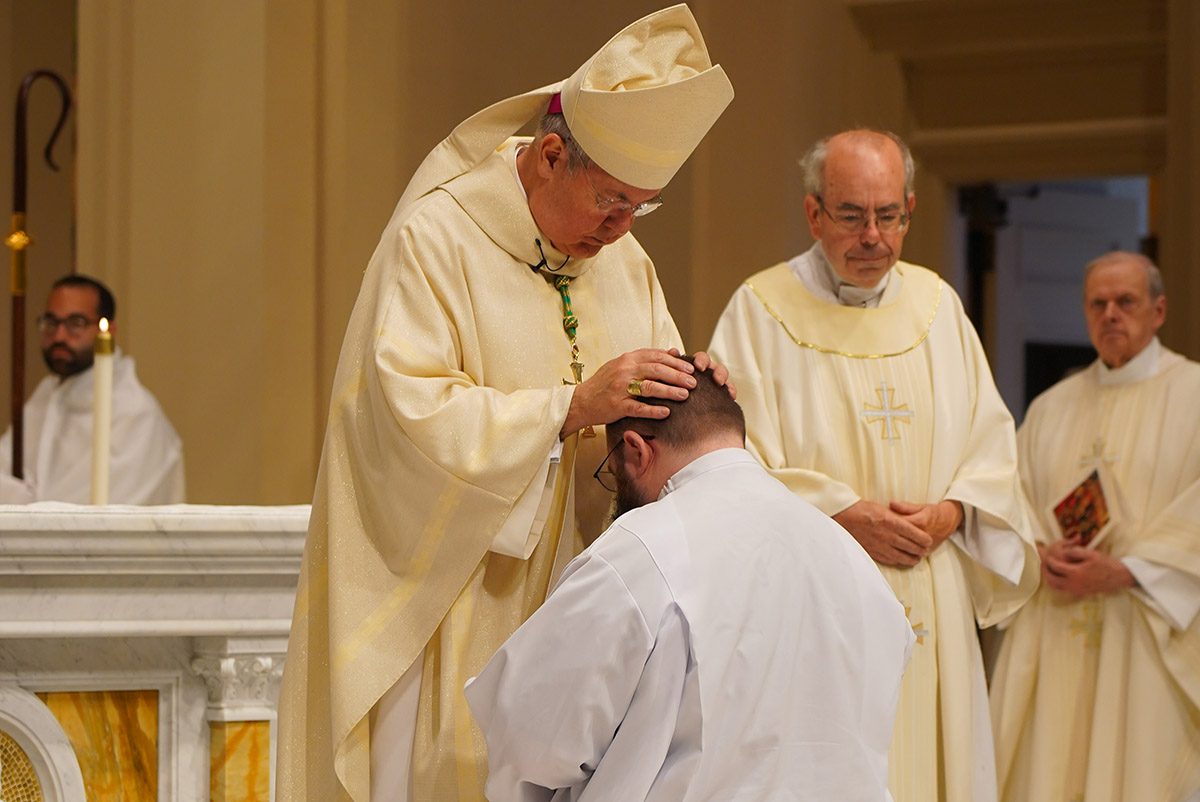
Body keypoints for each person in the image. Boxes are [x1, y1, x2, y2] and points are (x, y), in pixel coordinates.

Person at [275, 6, 735, 801]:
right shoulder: (438, 238)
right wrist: (567, 407)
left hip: (591, 606)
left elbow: (643, 416)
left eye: (641, 208)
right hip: (460, 603)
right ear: (551, 155)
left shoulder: (624, 264)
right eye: (611, 201)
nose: (622, 229)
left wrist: (686, 393)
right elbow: (405, 417)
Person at [707, 129, 1039, 802]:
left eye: (890, 216)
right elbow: (726, 459)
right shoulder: (760, 311)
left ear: (910, 210)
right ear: (813, 214)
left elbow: (991, 444)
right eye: (853, 216)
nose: (874, 237)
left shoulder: (938, 306)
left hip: (931, 584)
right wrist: (840, 516)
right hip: (820, 590)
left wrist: (952, 512)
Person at [465, 359, 914, 802]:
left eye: (612, 472)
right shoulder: (851, 557)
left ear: (637, 450)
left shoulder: (637, 553)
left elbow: (531, 741)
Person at [989, 251, 1200, 802]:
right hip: (1056, 631)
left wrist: (1128, 571)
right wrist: (1039, 550)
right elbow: (1010, 499)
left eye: (1125, 302)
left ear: (1158, 310)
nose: (1111, 315)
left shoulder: (1194, 396)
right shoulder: (1052, 408)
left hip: (1145, 638)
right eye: (1097, 304)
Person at [0, 274, 184, 504]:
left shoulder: (134, 414)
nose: (59, 336)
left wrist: (20, 502)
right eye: (51, 322)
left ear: (109, 329)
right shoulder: (46, 394)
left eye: (75, 323)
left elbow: (101, 516)